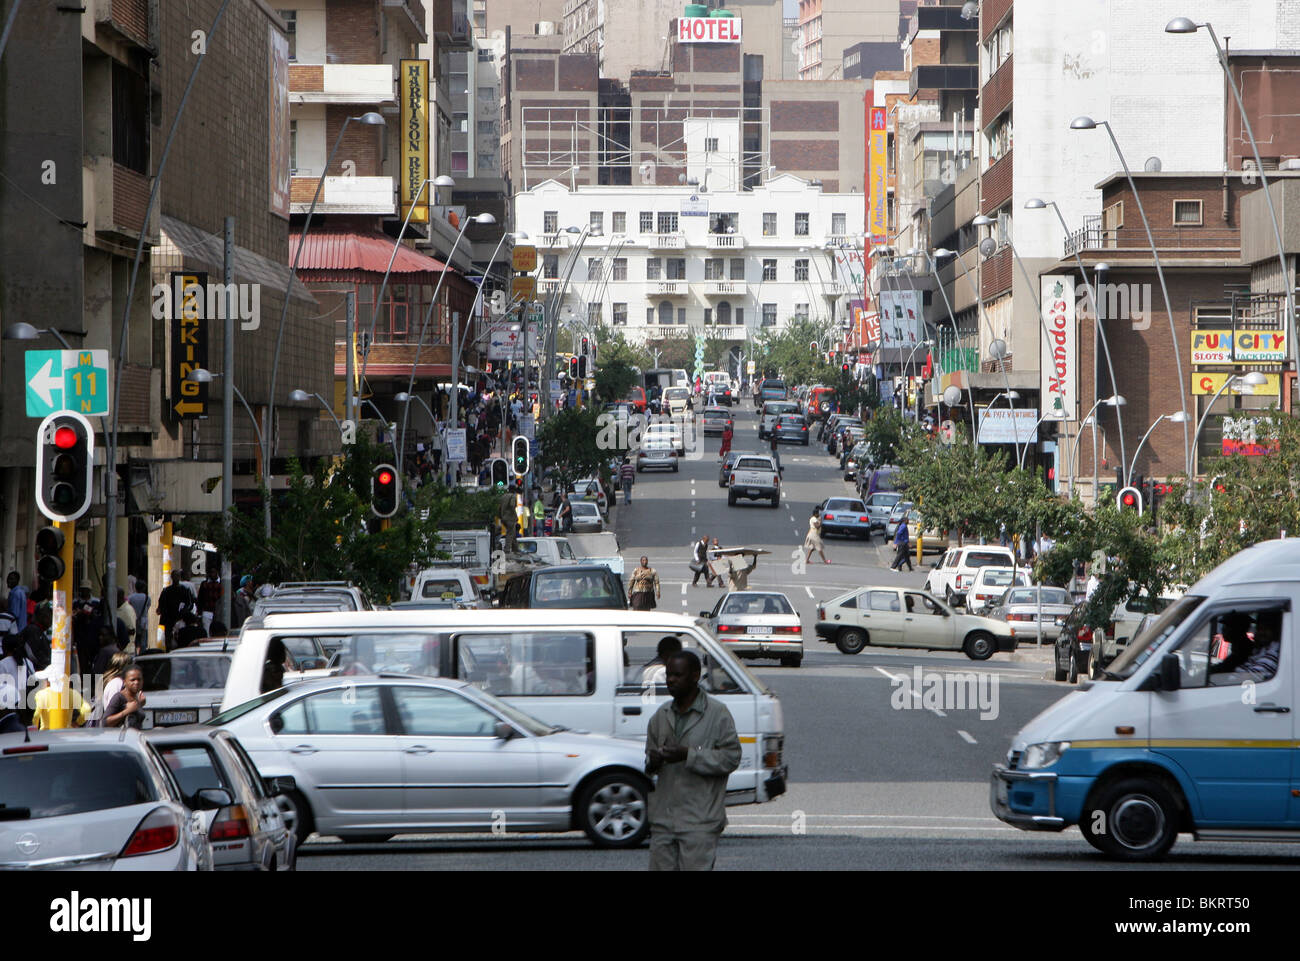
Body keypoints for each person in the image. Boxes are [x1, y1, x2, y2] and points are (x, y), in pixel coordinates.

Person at [644, 650, 742, 871]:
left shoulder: (717, 714)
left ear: (695, 676)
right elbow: (649, 766)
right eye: (669, 674)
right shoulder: (661, 715)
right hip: (664, 820)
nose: (671, 680)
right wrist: (654, 761)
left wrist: (688, 754)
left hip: (699, 821)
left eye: (678, 675)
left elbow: (731, 758)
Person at [0, 630, 35, 731]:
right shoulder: (27, 662)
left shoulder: (3, 664)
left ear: (4, 648)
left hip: (11, 707)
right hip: (27, 704)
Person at [115, 588, 137, 654]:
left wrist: (118, 630)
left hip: (127, 650)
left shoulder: (127, 610)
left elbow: (132, 630)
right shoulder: (116, 608)